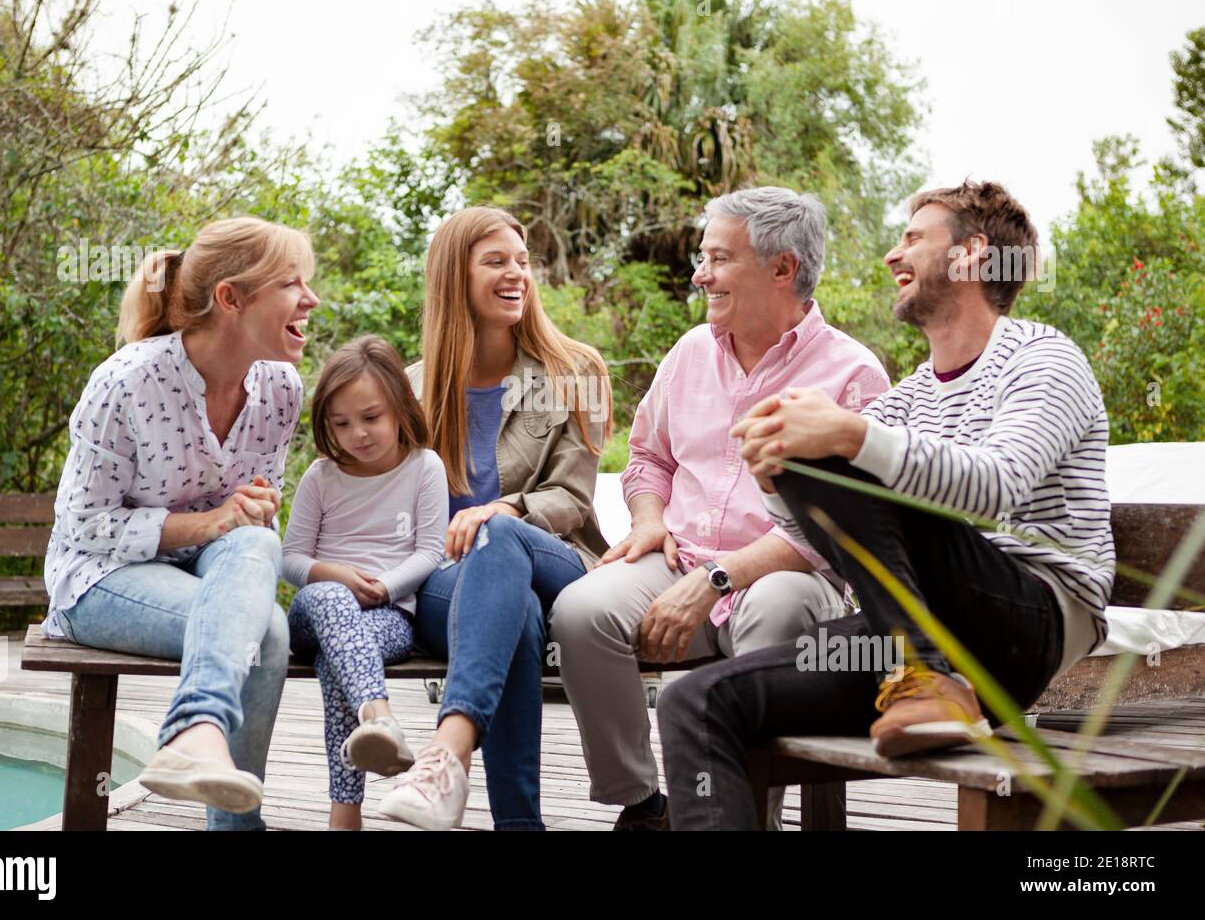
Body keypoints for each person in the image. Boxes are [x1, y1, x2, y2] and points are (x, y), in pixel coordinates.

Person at [658, 180, 1114, 830]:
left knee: (827, 444)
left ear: (970, 255)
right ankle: (920, 672)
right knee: (694, 700)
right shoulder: (909, 398)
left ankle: (924, 673)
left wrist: (846, 436)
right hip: (917, 632)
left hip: (1027, 623)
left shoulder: (1043, 359)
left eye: (912, 239)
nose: (891, 257)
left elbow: (997, 487)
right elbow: (832, 539)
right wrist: (773, 477)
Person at [550, 186, 891, 830]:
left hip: (784, 574)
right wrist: (649, 520)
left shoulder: (853, 375)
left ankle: (744, 814)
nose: (700, 274)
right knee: (580, 612)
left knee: (779, 605)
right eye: (702, 258)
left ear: (782, 269)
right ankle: (642, 805)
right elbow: (649, 456)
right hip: (678, 561)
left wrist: (719, 579)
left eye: (718, 258)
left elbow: (843, 524)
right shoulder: (688, 353)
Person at [43, 216, 318, 829]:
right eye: (291, 284)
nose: (311, 298)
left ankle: (197, 730)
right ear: (231, 299)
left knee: (253, 540)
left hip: (212, 570)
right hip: (100, 577)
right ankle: (230, 810)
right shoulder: (126, 380)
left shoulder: (281, 388)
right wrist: (213, 523)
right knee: (267, 633)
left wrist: (252, 511)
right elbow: (84, 525)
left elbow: (255, 504)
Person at [378, 206, 612, 831]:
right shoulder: (411, 390)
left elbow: (573, 499)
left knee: (501, 537)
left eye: (522, 261)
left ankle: (446, 753)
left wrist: (503, 507)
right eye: (496, 262)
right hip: (449, 583)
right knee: (521, 621)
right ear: (455, 277)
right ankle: (519, 825)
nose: (516, 275)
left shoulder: (573, 371)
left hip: (550, 557)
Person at [281, 335, 448, 830]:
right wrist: (335, 575)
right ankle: (379, 718)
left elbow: (430, 551)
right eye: (342, 423)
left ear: (399, 405)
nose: (358, 433)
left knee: (343, 659)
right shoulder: (321, 477)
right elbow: (289, 559)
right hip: (314, 613)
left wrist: (386, 587)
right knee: (334, 604)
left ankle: (344, 814)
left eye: (371, 417)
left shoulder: (424, 467)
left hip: (391, 617)